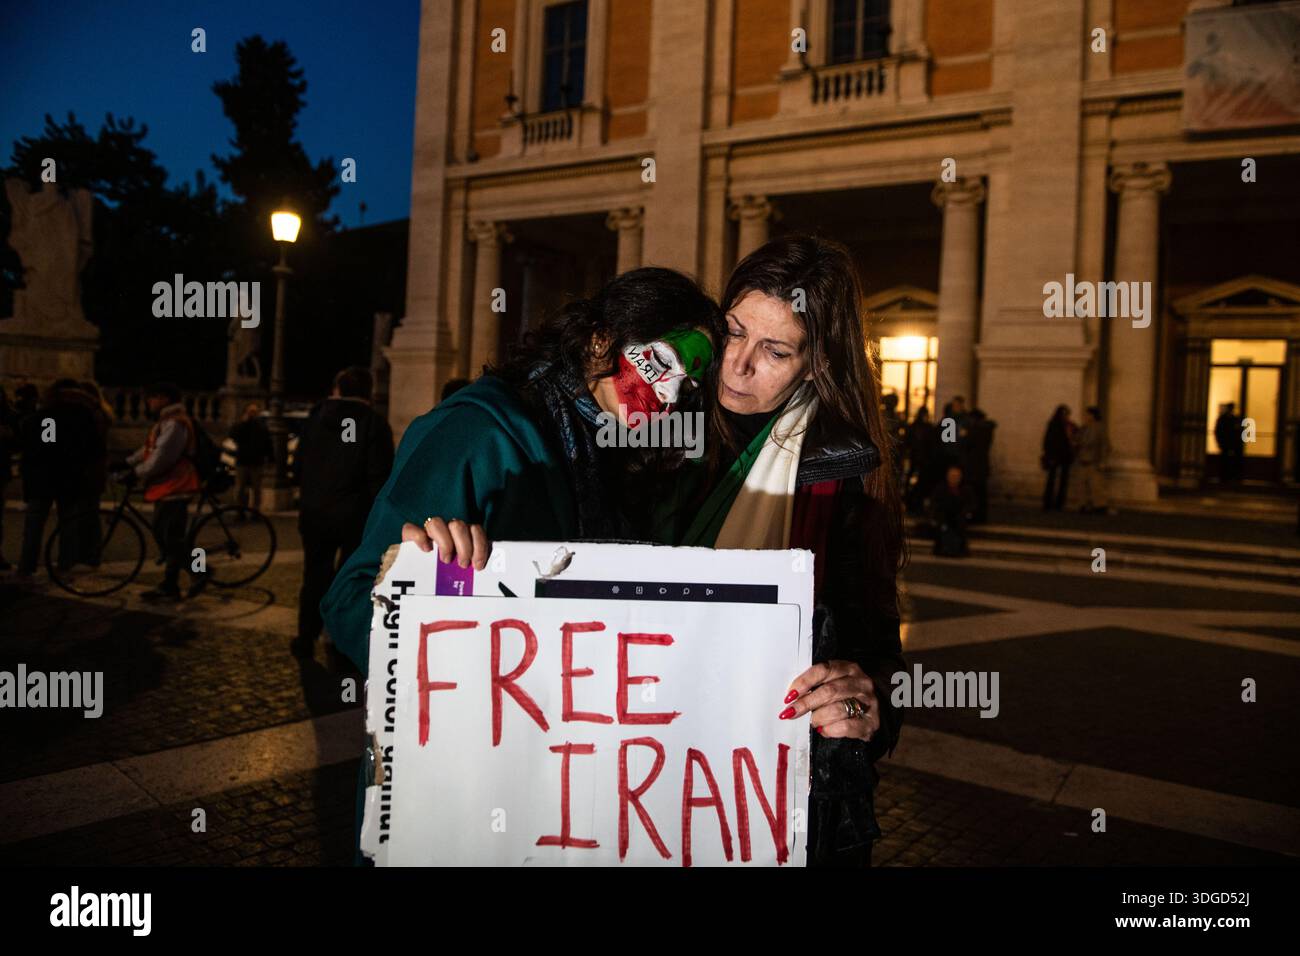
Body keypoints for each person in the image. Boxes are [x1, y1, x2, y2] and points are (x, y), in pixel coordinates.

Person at [321, 267, 723, 861]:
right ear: (599, 339)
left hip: (565, 801)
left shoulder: (632, 460)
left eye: (687, 387)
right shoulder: (476, 432)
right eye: (663, 364)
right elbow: (352, 602)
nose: (669, 396)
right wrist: (437, 583)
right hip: (459, 799)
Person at [645, 236, 907, 866]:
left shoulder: (843, 473)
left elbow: (877, 665)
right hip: (643, 772)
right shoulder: (651, 433)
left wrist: (864, 705)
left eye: (775, 350)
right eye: (732, 333)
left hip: (765, 803)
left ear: (819, 362)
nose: (737, 366)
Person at [293, 367, 395, 660]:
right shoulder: (374, 423)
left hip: (314, 513)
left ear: (338, 388)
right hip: (355, 516)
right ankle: (339, 642)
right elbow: (380, 478)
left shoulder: (315, 417)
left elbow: (298, 465)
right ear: (369, 391)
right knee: (349, 580)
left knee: (314, 573)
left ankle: (305, 637)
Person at [122, 382, 206, 601]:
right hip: (167, 487)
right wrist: (128, 462)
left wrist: (136, 473)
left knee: (169, 537)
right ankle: (171, 585)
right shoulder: (165, 422)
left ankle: (200, 572)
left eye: (152, 397)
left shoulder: (175, 424)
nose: (148, 402)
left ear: (165, 399)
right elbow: (150, 449)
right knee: (169, 536)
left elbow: (163, 457)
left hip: (177, 486)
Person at [16, 379, 104, 577]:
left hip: (43, 479)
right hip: (69, 478)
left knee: (34, 525)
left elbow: (42, 446)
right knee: (68, 525)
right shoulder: (83, 417)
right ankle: (65, 564)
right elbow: (94, 449)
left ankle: (26, 566)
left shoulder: (45, 417)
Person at [228, 402, 272, 511]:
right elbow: (232, 434)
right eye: (250, 412)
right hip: (243, 461)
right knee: (240, 489)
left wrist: (269, 458)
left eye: (254, 412)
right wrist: (243, 423)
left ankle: (255, 510)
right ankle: (240, 510)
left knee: (256, 488)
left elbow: (267, 443)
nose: (252, 414)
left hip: (256, 461)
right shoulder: (241, 425)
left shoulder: (261, 427)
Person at [929, 464, 976, 557]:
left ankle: (958, 549)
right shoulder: (941, 489)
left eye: (956, 476)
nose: (954, 479)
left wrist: (966, 512)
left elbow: (971, 504)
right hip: (944, 517)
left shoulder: (966, 490)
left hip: (959, 517)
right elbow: (935, 504)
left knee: (959, 526)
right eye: (952, 476)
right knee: (944, 527)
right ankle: (943, 548)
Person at [1074, 405, 1110, 514]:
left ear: (1093, 415)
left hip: (1094, 461)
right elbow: (1078, 440)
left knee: (1096, 485)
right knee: (1082, 485)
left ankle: (1100, 505)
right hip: (1083, 460)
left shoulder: (1099, 428)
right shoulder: (1084, 427)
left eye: (1087, 414)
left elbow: (1105, 445)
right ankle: (1083, 505)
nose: (1085, 416)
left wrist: (1103, 461)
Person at [962, 408, 995, 523]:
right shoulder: (986, 430)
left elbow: (967, 444)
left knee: (976, 493)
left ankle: (977, 516)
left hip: (974, 467)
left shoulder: (975, 431)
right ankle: (980, 515)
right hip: (981, 466)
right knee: (981, 493)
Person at [904, 406, 938, 514]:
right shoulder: (926, 428)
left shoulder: (915, 427)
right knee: (920, 483)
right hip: (921, 460)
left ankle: (913, 504)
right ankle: (914, 504)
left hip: (919, 460)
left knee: (917, 483)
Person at [1041, 404, 1074, 511]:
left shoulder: (1069, 425)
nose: (1065, 416)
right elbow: (1048, 440)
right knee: (1052, 479)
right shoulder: (1054, 424)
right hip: (1055, 455)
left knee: (1062, 480)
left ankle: (1059, 502)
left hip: (1064, 456)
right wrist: (1049, 454)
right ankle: (1048, 501)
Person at [1214, 402, 1245, 483]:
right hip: (1228, 443)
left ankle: (1227, 477)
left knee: (1227, 461)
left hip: (1228, 443)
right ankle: (1228, 477)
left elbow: (1218, 431)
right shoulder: (1233, 419)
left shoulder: (1224, 419)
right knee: (1227, 461)